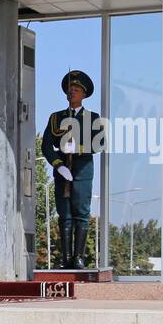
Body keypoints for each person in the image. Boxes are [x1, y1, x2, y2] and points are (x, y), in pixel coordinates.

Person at [41, 70, 105, 269]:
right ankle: (66, 258)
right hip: (62, 172)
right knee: (64, 215)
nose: (72, 93)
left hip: (82, 171)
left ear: (84, 94)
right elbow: (46, 146)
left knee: (81, 214)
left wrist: (77, 148)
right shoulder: (56, 118)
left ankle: (78, 258)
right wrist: (58, 165)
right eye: (70, 90)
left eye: (76, 90)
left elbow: (100, 144)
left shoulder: (93, 118)